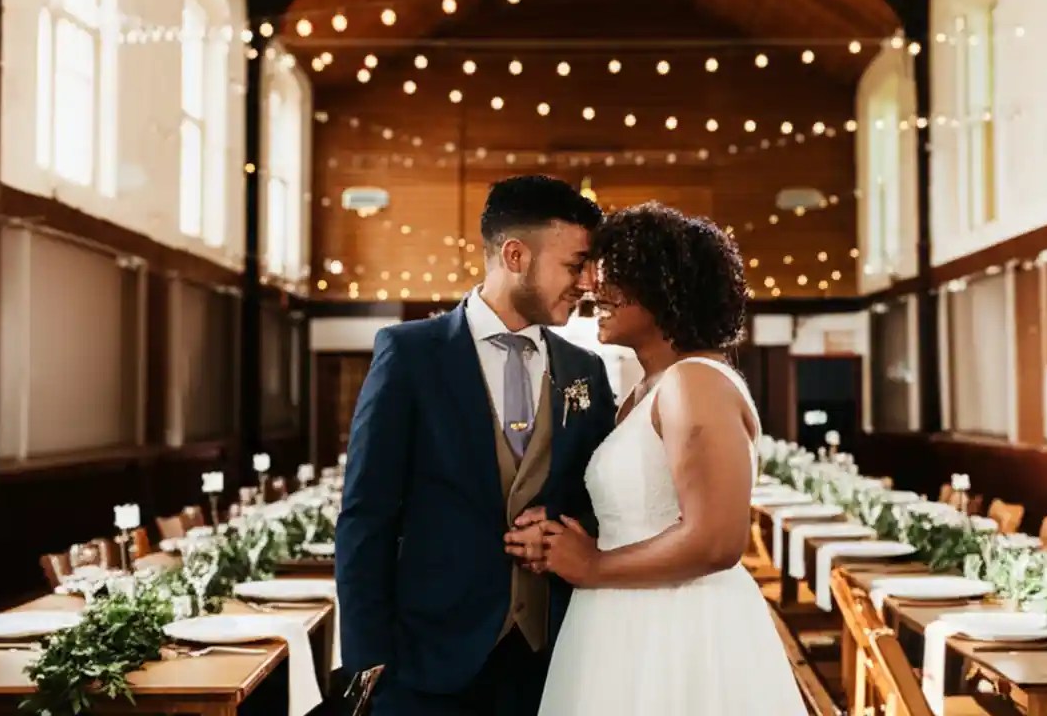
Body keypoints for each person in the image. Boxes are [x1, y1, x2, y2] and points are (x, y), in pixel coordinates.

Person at [336, 175, 616, 715]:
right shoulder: (410, 355)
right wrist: (368, 661)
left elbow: (601, 500)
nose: (588, 282)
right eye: (575, 264)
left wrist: (563, 533)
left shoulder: (586, 371)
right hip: (426, 665)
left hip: (551, 658)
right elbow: (365, 514)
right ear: (515, 255)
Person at [528, 202, 808, 715]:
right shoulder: (647, 389)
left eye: (616, 276)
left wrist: (592, 564)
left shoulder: (693, 382)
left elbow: (718, 540)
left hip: (678, 626)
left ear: (665, 287)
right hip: (623, 615)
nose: (595, 289)